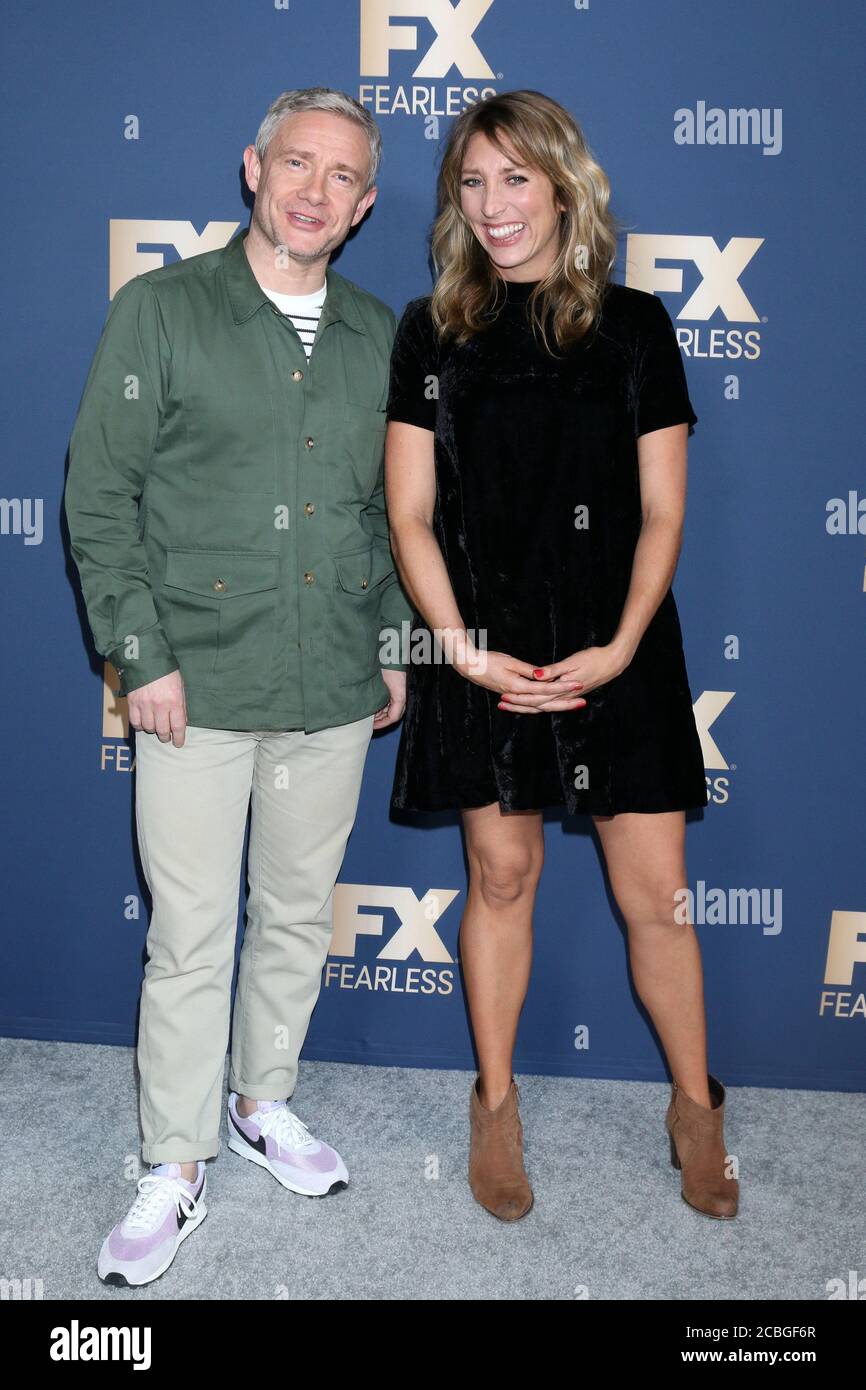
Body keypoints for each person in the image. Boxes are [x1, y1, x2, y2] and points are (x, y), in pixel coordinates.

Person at [65, 88, 410, 1286]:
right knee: (193, 933)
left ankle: (264, 1099)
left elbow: (397, 515)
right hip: (193, 682)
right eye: (296, 166)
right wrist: (137, 653)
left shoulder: (378, 334)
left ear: (364, 205)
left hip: (330, 682)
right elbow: (99, 496)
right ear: (253, 170)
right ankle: (174, 1158)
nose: (314, 193)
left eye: (342, 179)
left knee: (299, 916)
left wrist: (393, 642)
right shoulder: (160, 311)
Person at [384, 90, 738, 1223]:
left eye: (514, 180)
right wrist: (462, 654)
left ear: (561, 185)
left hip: (616, 646)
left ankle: (694, 1107)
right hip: (481, 651)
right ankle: (495, 1105)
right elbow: (406, 513)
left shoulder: (632, 326)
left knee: (657, 899)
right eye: (471, 183)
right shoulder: (429, 331)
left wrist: (624, 645)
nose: (492, 206)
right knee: (499, 878)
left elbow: (665, 512)